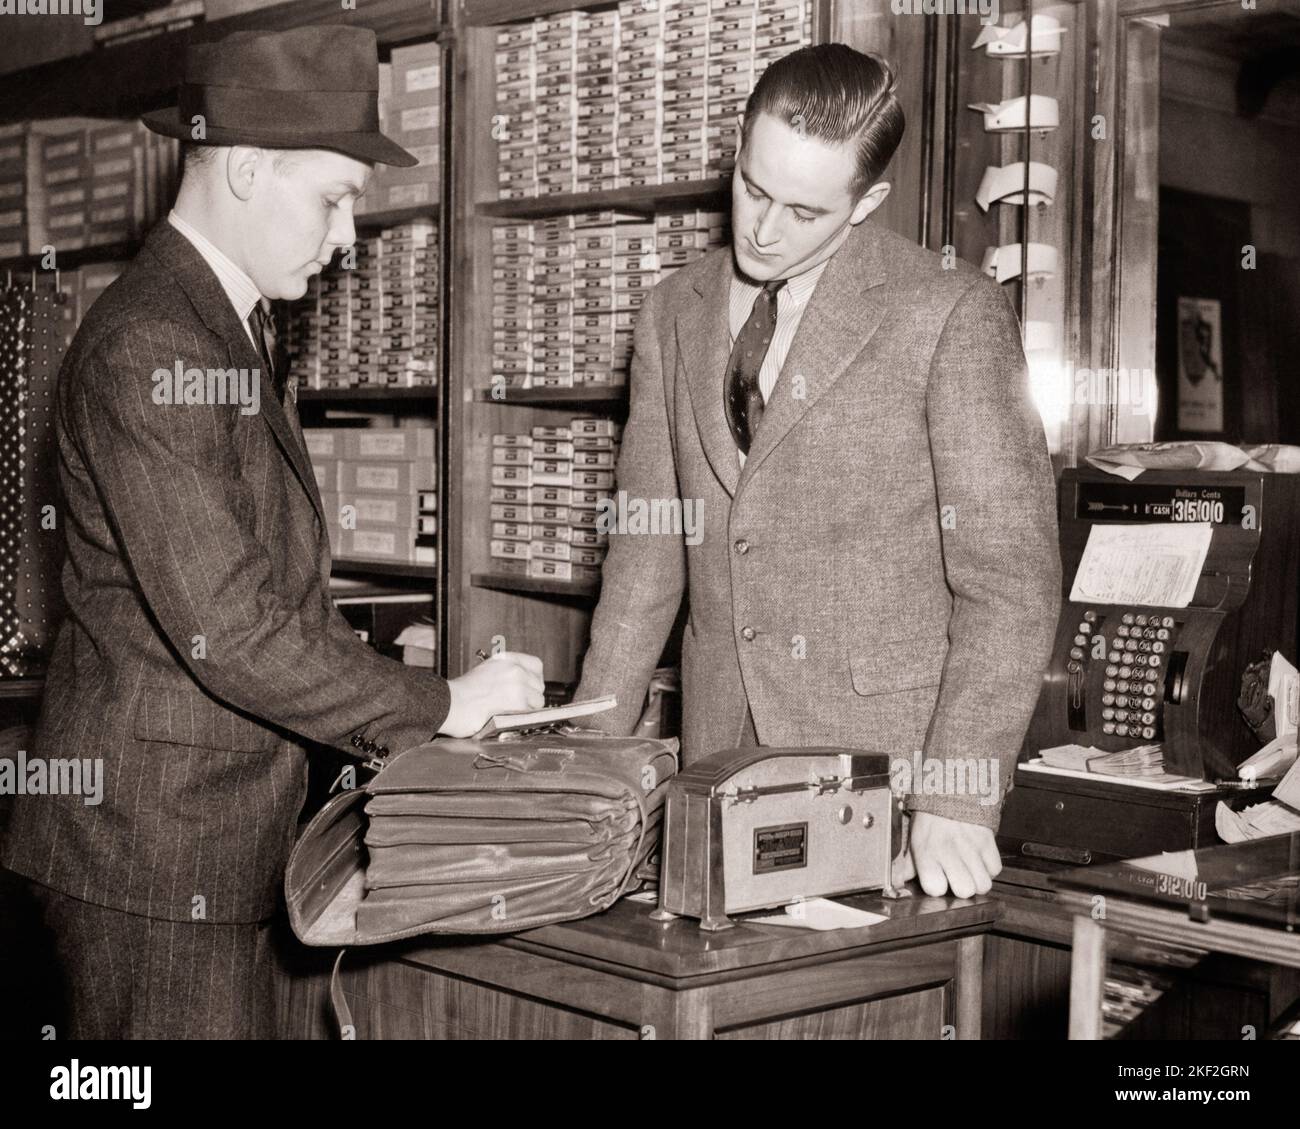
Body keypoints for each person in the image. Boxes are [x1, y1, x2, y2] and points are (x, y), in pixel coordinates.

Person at [0, 25, 543, 1039]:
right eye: (334, 196)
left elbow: (265, 597)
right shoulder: (155, 341)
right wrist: (438, 705)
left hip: (210, 839)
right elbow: (233, 627)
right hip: (158, 857)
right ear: (245, 169)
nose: (346, 235)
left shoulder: (224, 328)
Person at [575, 44, 1062, 901]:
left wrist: (960, 794)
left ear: (866, 202)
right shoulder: (670, 313)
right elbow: (647, 559)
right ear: (737, 151)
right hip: (719, 768)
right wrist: (586, 762)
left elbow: (1010, 580)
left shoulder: (949, 312)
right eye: (754, 190)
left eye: (804, 212)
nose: (764, 230)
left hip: (892, 798)